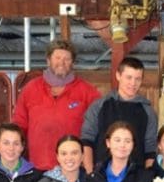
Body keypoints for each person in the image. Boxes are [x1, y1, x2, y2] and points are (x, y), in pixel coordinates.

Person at [13, 39, 100, 171]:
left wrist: (89, 166)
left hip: (73, 168)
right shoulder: (30, 89)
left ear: (73, 63)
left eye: (67, 58)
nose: (62, 62)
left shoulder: (88, 92)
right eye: (57, 57)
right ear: (48, 60)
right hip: (36, 167)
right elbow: (18, 127)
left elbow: (96, 130)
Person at [80, 56, 157, 173]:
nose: (133, 83)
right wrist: (90, 173)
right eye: (129, 77)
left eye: (138, 79)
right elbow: (87, 141)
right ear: (118, 76)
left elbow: (150, 148)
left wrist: (146, 178)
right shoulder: (99, 106)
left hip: (135, 177)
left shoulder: (148, 112)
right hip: (101, 175)